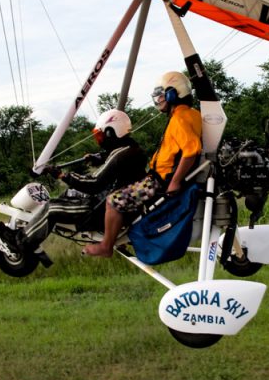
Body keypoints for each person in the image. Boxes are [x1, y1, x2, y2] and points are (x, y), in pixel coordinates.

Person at [0, 109, 146, 255]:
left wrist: (62, 175)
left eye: (100, 136)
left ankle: (20, 243)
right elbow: (115, 160)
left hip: (99, 212)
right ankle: (33, 230)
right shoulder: (132, 149)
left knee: (52, 208)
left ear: (110, 132)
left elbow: (93, 184)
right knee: (70, 193)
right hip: (111, 202)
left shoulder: (120, 156)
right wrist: (98, 158)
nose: (99, 140)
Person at [83, 71, 203, 258]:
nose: (158, 99)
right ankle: (121, 236)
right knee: (125, 191)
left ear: (173, 95)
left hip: (160, 181)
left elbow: (191, 151)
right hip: (158, 176)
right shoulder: (192, 114)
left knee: (113, 201)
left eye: (162, 94)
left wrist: (175, 181)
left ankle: (106, 245)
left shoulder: (179, 119)